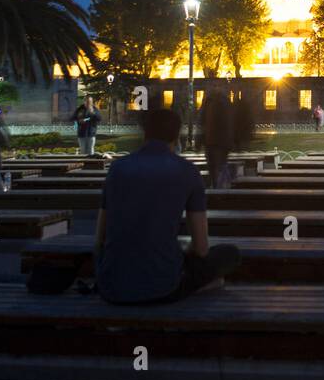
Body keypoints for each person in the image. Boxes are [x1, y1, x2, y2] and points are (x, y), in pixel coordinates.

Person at [94, 108, 241, 304]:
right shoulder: (188, 172)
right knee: (229, 254)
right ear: (176, 136)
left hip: (111, 286)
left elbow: (100, 238)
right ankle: (204, 285)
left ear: (145, 133)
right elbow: (202, 249)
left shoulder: (117, 169)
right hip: (161, 287)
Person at [200, 83, 234, 189]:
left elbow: (202, 121)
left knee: (214, 167)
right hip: (222, 141)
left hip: (211, 141)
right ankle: (221, 187)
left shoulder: (208, 102)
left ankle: (216, 186)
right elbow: (231, 121)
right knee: (220, 165)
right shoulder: (226, 102)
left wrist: (200, 140)